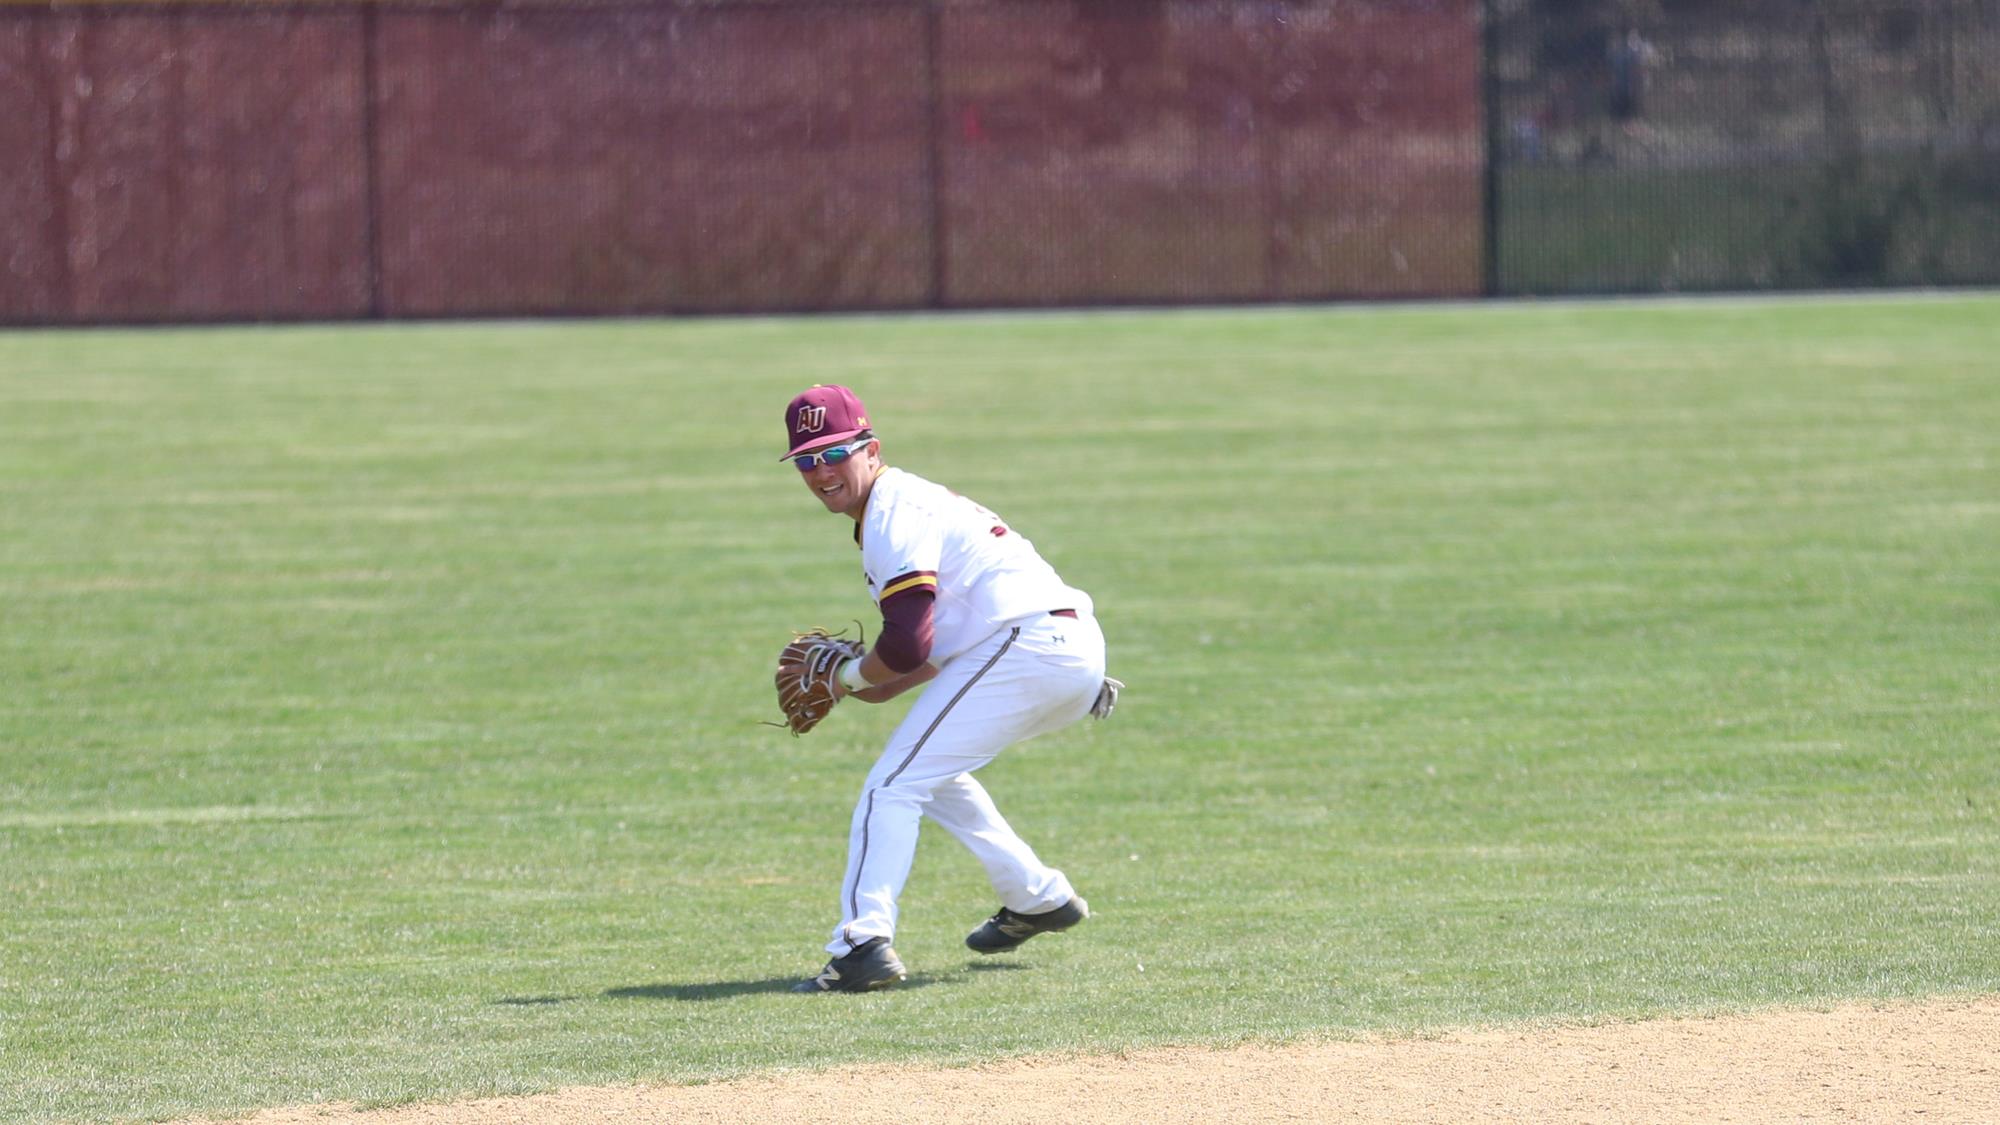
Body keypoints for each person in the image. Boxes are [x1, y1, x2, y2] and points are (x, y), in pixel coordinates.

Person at [777, 384, 1115, 993]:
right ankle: (1037, 896)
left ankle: (861, 944)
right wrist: (864, 686)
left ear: (871, 449)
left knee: (890, 787)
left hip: (1027, 649)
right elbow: (929, 651)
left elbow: (905, 645)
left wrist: (848, 679)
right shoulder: (905, 504)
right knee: (930, 773)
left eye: (834, 453)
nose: (821, 471)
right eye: (806, 460)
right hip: (1058, 651)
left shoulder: (893, 513)